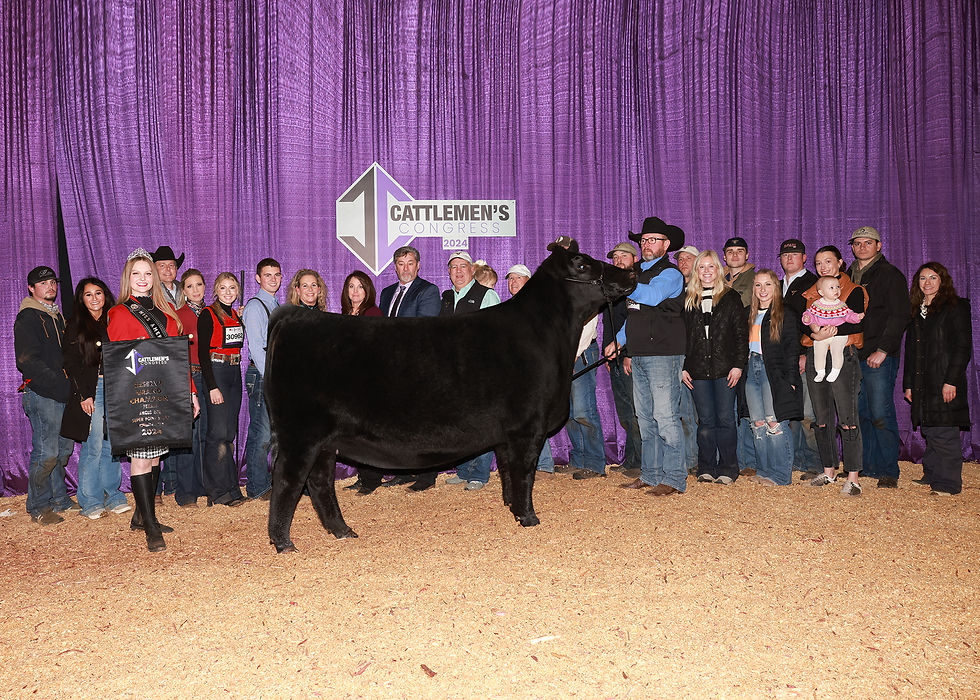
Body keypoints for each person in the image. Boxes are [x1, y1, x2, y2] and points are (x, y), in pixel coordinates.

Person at [108, 249, 200, 551]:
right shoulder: (119, 313)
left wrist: (190, 392)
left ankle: (142, 515)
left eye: (147, 273)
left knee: (157, 454)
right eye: (136, 274)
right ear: (128, 278)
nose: (143, 279)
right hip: (138, 395)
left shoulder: (168, 313)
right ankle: (150, 526)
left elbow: (178, 358)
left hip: (166, 391)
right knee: (141, 458)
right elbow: (121, 361)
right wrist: (146, 361)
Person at [609, 217, 687, 496]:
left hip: (664, 353)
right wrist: (619, 341)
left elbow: (652, 297)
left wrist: (625, 282)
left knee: (665, 417)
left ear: (666, 245)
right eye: (643, 240)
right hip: (639, 352)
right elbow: (634, 314)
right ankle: (651, 474)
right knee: (645, 418)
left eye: (652, 240)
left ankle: (675, 477)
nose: (646, 244)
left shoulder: (670, 273)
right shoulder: (638, 272)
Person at [60, 277, 130, 519]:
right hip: (93, 389)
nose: (94, 298)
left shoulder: (113, 320)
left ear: (105, 295)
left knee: (112, 444)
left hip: (116, 388)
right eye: (88, 294)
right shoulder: (76, 325)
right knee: (94, 445)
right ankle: (89, 500)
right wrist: (84, 395)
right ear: (82, 298)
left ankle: (113, 494)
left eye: (98, 293)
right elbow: (70, 362)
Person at [15, 265, 78, 525]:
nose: (50, 286)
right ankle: (39, 506)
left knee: (62, 450)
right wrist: (57, 383)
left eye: (52, 282)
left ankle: (59, 499)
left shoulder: (56, 316)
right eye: (43, 283)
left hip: (60, 392)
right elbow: (27, 361)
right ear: (31, 288)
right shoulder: (29, 317)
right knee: (47, 452)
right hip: (42, 393)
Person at [903, 262, 972, 496]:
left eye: (933, 278)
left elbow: (963, 347)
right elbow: (911, 351)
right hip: (923, 380)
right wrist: (909, 384)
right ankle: (931, 473)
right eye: (923, 278)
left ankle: (948, 484)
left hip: (944, 378)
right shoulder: (916, 311)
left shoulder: (955, 307)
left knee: (944, 431)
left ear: (942, 281)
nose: (928, 283)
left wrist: (951, 380)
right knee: (931, 429)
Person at [848, 225, 908, 488]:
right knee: (860, 412)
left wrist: (883, 349)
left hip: (877, 354)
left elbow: (899, 315)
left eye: (867, 242)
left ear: (879, 245)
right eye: (857, 243)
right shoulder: (847, 276)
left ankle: (888, 470)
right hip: (853, 353)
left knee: (880, 411)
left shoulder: (890, 275)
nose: (862, 247)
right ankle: (867, 466)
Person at [803, 246, 867, 496]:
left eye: (828, 261)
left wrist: (823, 332)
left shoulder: (854, 291)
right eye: (819, 263)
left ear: (840, 262)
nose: (823, 267)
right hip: (816, 354)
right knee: (821, 418)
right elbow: (804, 320)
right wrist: (813, 332)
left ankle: (853, 476)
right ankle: (828, 470)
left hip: (843, 355)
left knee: (848, 418)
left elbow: (857, 320)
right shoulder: (812, 293)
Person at [680, 251, 746, 485]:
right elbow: (682, 337)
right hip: (697, 371)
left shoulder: (730, 298)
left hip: (725, 369)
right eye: (701, 267)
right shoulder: (688, 299)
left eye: (711, 267)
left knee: (726, 419)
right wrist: (683, 366)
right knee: (705, 421)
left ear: (719, 270)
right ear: (696, 271)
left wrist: (738, 365)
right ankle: (706, 467)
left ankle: (728, 468)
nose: (706, 272)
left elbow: (740, 335)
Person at [441, 251, 500, 490]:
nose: (458, 271)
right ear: (449, 272)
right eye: (453, 267)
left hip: (479, 369)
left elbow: (496, 333)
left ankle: (480, 473)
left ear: (472, 270)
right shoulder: (446, 298)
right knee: (459, 422)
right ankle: (464, 470)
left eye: (463, 266)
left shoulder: (487, 295)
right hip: (452, 371)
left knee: (482, 422)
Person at [550, 237, 605, 480]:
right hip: (563, 353)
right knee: (570, 410)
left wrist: (572, 352)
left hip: (580, 352)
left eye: (563, 252)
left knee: (584, 409)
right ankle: (579, 458)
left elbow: (589, 321)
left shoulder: (584, 281)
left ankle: (595, 463)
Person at [741, 270, 802, 486]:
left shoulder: (786, 313)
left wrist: (792, 379)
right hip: (751, 368)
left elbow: (793, 348)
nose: (762, 290)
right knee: (757, 423)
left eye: (767, 284)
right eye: (758, 285)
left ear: (776, 287)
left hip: (774, 372)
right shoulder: (749, 313)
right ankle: (764, 471)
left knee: (774, 422)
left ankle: (780, 475)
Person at [197, 273, 247, 507]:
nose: (228, 292)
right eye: (223, 288)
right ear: (215, 290)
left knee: (229, 434)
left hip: (234, 373)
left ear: (237, 291)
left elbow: (235, 343)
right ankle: (216, 492)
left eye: (232, 288)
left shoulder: (236, 314)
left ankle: (231, 487)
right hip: (216, 371)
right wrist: (212, 386)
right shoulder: (207, 314)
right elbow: (202, 355)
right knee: (217, 434)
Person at [779, 239, 820, 479]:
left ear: (804, 258)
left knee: (808, 414)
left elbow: (820, 319)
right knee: (791, 413)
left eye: (795, 254)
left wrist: (806, 353)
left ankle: (815, 462)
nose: (790, 258)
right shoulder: (777, 283)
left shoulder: (812, 284)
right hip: (783, 356)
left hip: (804, 353)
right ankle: (797, 460)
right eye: (785, 255)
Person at [242, 258, 282, 500]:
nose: (273, 279)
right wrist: (271, 379)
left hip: (271, 373)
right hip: (262, 374)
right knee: (261, 432)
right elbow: (257, 347)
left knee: (269, 432)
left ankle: (264, 482)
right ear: (258, 278)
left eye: (277, 274)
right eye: (268, 275)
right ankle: (257, 487)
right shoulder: (256, 307)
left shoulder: (276, 304)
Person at [601, 244, 641, 477]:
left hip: (629, 355)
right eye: (615, 257)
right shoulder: (613, 288)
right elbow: (608, 322)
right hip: (614, 354)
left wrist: (629, 353)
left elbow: (637, 322)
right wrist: (608, 353)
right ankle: (631, 458)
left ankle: (642, 461)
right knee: (625, 412)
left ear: (634, 259)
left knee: (636, 411)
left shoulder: (638, 286)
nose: (618, 260)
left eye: (623, 256)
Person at [150, 245, 185, 500]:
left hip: (180, 362)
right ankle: (156, 486)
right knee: (157, 426)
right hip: (160, 362)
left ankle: (172, 484)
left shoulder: (184, 291)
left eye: (171, 265)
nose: (168, 269)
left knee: (175, 427)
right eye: (162, 266)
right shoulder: (151, 294)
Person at [171, 269, 208, 507]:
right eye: (190, 286)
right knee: (190, 435)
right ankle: (185, 492)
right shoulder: (178, 316)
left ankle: (202, 485)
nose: (195, 290)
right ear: (183, 291)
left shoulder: (211, 313)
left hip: (209, 375)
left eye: (199, 285)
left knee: (205, 435)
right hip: (189, 374)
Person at [802, 276, 865, 382]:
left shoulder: (841, 305)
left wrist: (856, 317)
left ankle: (836, 369)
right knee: (818, 349)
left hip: (839, 335)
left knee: (837, 350)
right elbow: (809, 315)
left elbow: (848, 315)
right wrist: (807, 319)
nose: (836, 290)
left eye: (838, 287)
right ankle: (820, 371)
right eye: (831, 287)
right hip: (822, 335)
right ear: (821, 292)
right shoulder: (816, 304)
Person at [379, 245, 441, 318]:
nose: (406, 268)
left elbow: (425, 325)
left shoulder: (428, 290)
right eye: (401, 264)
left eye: (410, 264)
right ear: (396, 267)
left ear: (418, 265)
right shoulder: (386, 292)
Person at [723, 237, 755, 308]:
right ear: (724, 257)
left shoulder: (755, 279)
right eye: (730, 252)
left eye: (740, 251)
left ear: (747, 255)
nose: (735, 255)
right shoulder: (716, 279)